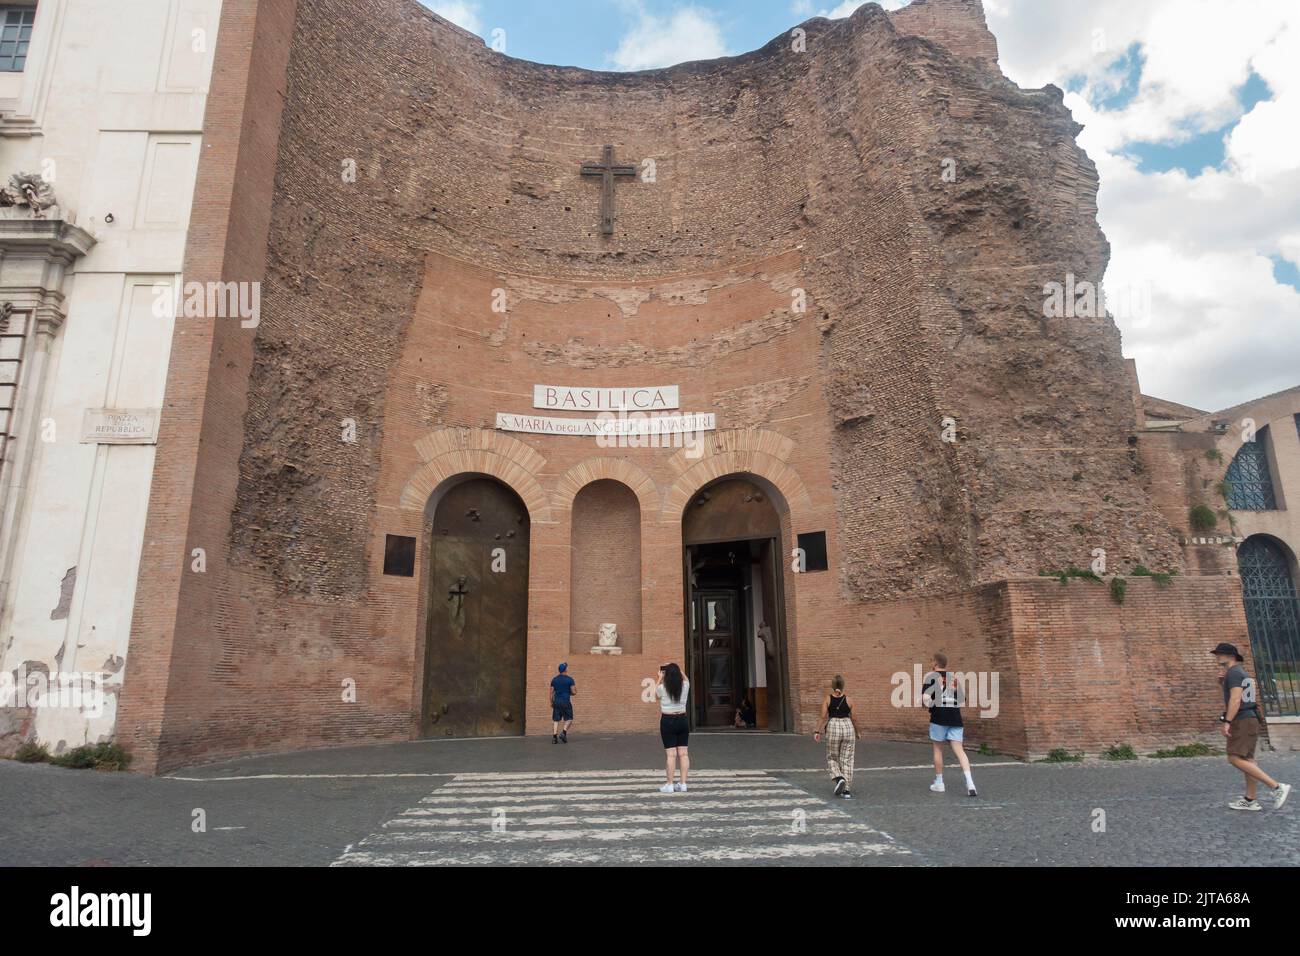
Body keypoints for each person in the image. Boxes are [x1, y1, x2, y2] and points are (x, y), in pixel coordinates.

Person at [1212, 642, 1291, 811]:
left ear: (1231, 656)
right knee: (1247, 759)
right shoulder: (1239, 672)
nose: (1217, 656)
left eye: (1220, 653)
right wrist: (1222, 683)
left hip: (1243, 720)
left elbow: (1235, 699)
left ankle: (1277, 787)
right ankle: (1250, 800)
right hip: (1250, 718)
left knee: (1234, 757)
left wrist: (1227, 721)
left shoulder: (1233, 673)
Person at [923, 652, 977, 797]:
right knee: (960, 750)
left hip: (939, 717)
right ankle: (970, 783)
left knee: (938, 749)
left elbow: (926, 699)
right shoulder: (953, 678)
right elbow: (961, 700)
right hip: (955, 717)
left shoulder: (930, 677)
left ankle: (939, 783)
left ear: (935, 663)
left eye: (931, 661)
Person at [813, 675, 860, 798]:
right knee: (848, 759)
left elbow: (823, 716)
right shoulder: (849, 700)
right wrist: (858, 731)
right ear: (843, 686)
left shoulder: (827, 699)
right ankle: (847, 791)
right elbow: (854, 718)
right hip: (848, 727)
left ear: (833, 686)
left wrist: (817, 731)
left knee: (832, 757)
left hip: (833, 726)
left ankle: (839, 778)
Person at [656, 663, 690, 793]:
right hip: (682, 719)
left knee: (671, 755)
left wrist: (659, 677)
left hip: (667, 720)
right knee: (684, 754)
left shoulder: (662, 688)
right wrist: (681, 672)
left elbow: (655, 695)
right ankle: (683, 784)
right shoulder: (685, 686)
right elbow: (687, 680)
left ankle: (669, 785)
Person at [549, 662, 575, 744]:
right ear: (565, 670)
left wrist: (551, 702)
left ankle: (554, 738)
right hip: (565, 702)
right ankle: (563, 733)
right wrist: (570, 692)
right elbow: (573, 692)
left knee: (556, 720)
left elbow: (551, 693)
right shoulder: (570, 679)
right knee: (569, 719)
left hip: (556, 702)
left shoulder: (554, 680)